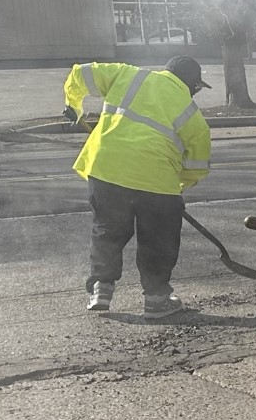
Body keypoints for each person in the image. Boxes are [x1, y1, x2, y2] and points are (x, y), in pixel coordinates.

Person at [64, 55, 212, 317]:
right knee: (158, 240)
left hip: (107, 170)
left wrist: (73, 106)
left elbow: (80, 73)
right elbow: (197, 165)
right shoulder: (191, 113)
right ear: (193, 85)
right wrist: (175, 187)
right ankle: (156, 299)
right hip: (157, 184)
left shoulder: (126, 74)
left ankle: (101, 287)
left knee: (107, 230)